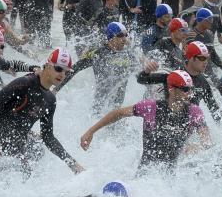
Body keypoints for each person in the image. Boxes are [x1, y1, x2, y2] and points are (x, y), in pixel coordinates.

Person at [0, 48, 84, 173]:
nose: (62, 74)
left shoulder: (50, 100)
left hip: (18, 152)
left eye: (66, 72)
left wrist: (72, 164)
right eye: (59, 68)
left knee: (35, 160)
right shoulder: (25, 83)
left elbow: (48, 137)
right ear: (48, 66)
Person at [79, 70, 210, 173]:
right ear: (171, 89)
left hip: (170, 179)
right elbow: (118, 113)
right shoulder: (151, 107)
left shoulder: (194, 112)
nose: (190, 93)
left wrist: (197, 146)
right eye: (185, 89)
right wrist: (91, 131)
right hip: (145, 174)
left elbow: (207, 141)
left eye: (191, 89)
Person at [59, 21, 139, 114]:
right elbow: (74, 69)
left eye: (126, 35)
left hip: (117, 108)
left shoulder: (128, 54)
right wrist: (56, 89)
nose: (124, 39)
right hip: (100, 106)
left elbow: (139, 74)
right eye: (120, 35)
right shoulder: (97, 53)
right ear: (111, 37)